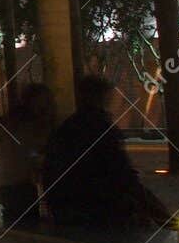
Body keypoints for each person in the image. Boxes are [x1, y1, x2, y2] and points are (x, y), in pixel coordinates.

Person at [42, 75, 170, 230]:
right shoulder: (101, 128)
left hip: (67, 203)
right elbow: (120, 172)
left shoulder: (67, 128)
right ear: (102, 98)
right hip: (95, 205)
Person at [0, 82, 53, 228]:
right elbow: (31, 151)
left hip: (9, 183)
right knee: (27, 224)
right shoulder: (28, 125)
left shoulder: (13, 122)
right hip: (21, 184)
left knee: (17, 223)